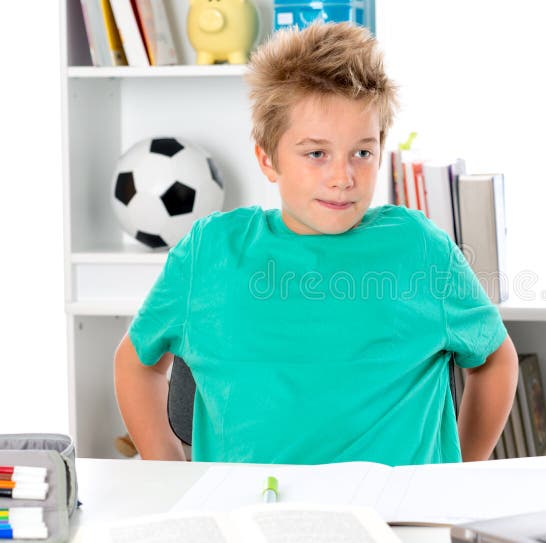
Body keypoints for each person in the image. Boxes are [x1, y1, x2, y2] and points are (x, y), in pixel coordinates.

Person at [114, 22, 518, 465]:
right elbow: (136, 365)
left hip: (396, 525)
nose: (343, 177)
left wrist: (460, 474)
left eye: (362, 153)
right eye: (316, 154)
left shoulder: (418, 247)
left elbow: (495, 360)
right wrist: (170, 473)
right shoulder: (211, 251)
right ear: (268, 158)